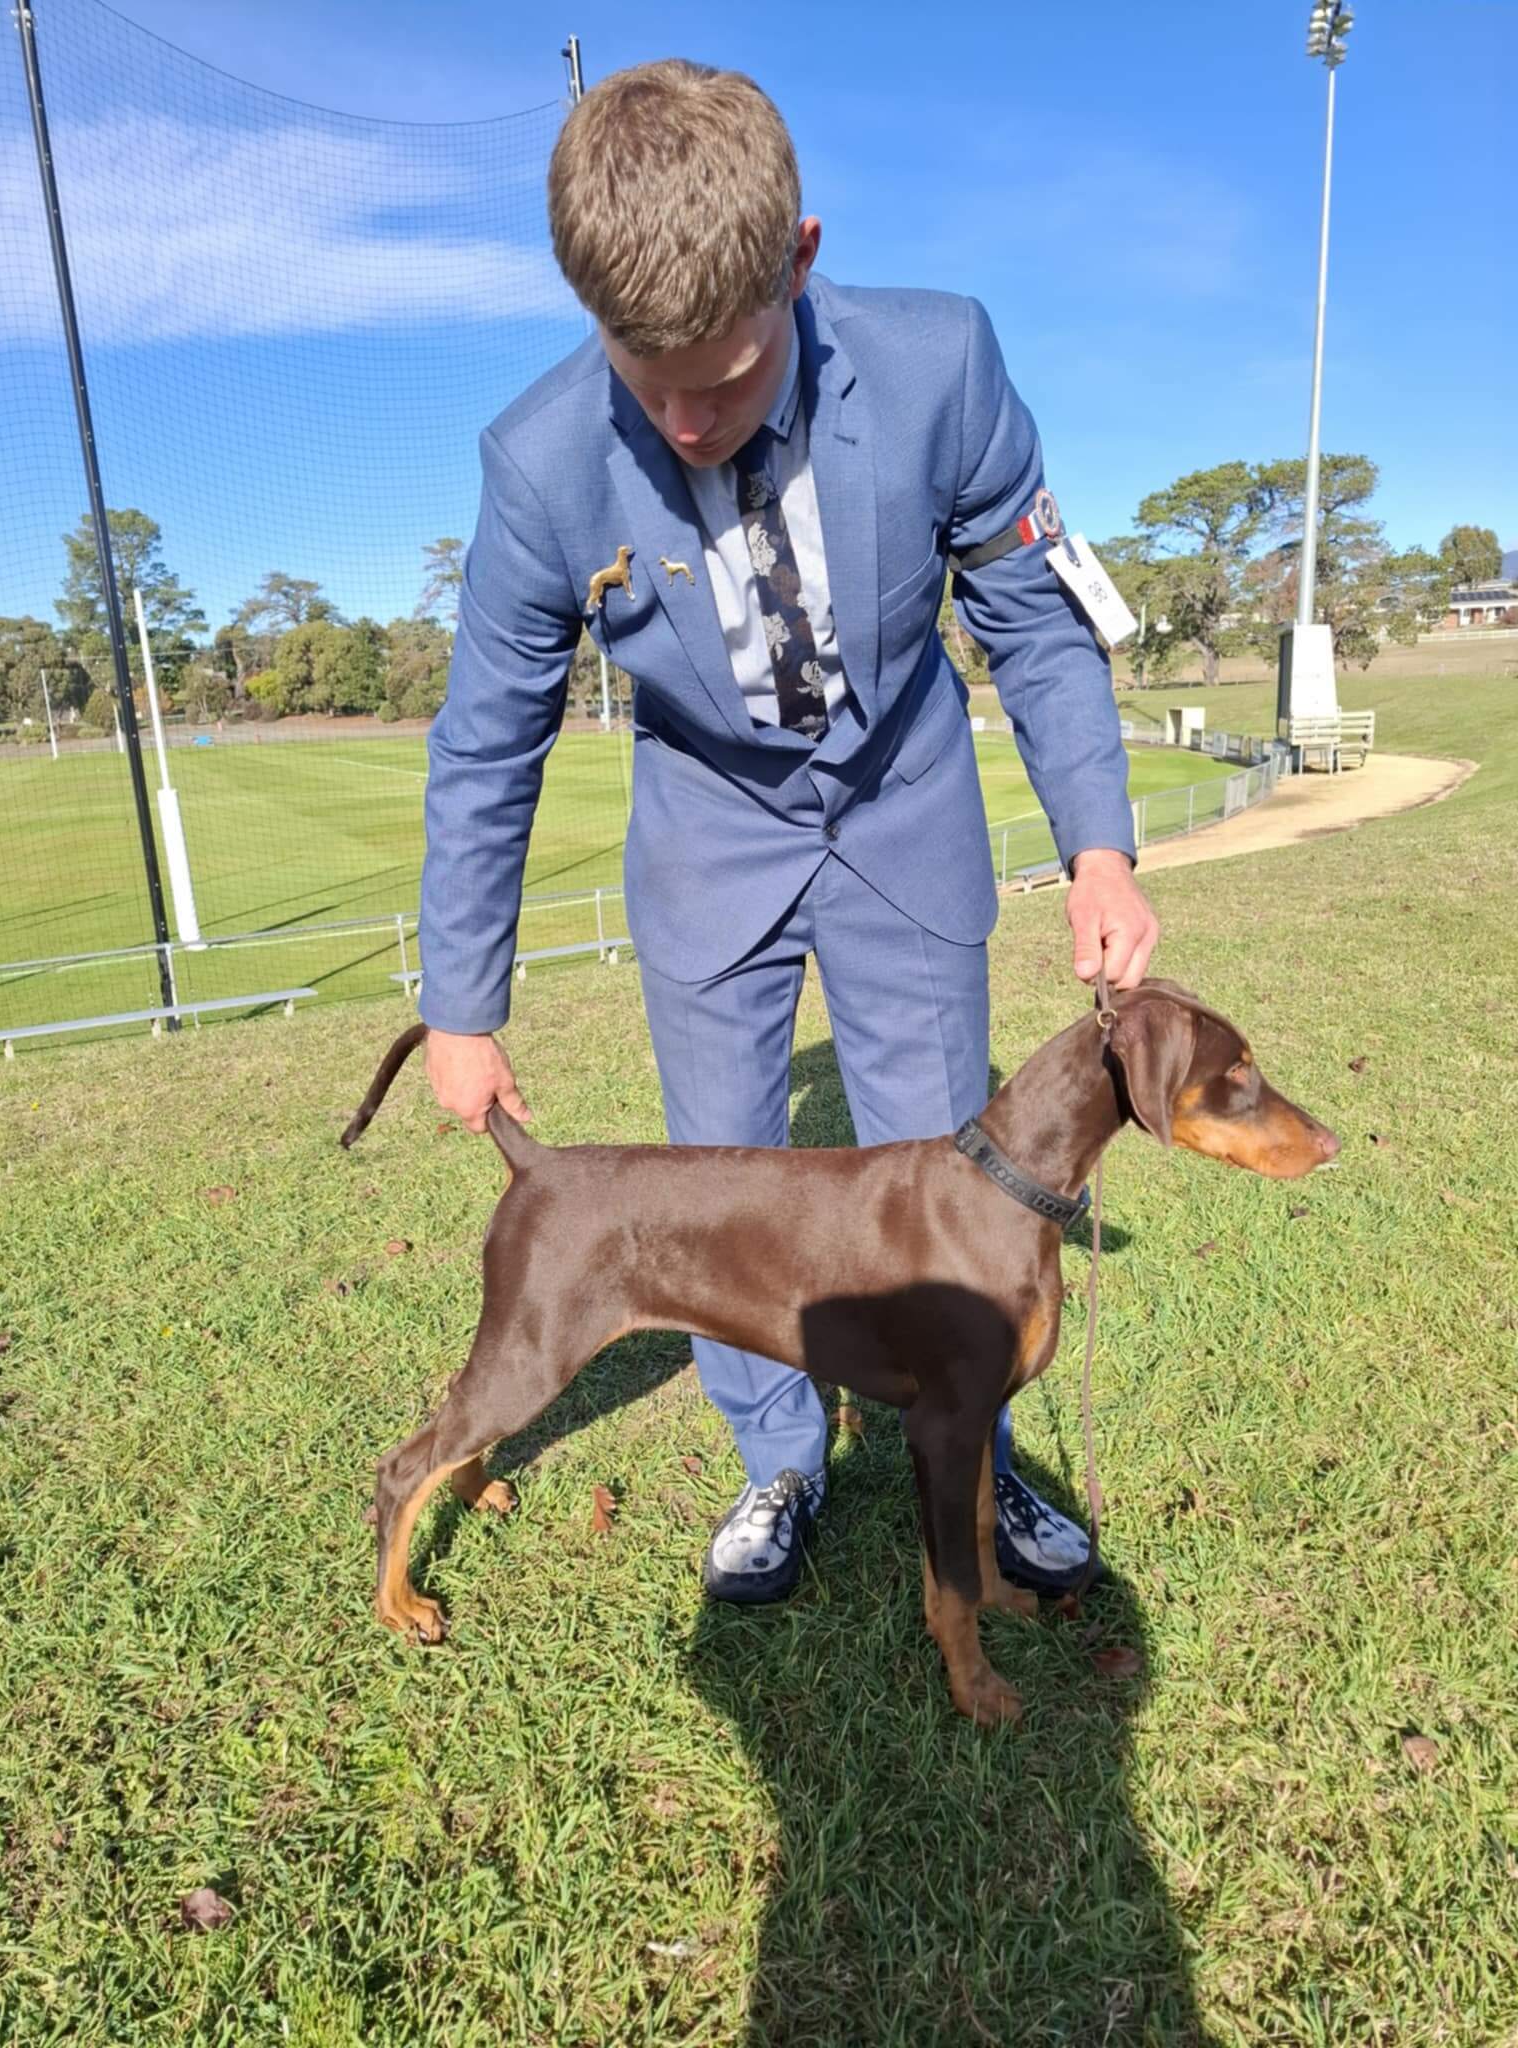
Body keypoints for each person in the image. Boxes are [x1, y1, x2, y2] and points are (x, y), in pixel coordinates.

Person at [416, 60, 1159, 1604]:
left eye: (730, 375)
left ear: (800, 260)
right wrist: (462, 1007)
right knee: (715, 1194)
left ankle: (982, 1464)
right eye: (643, 375)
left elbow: (1031, 608)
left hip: (906, 819)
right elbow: (488, 739)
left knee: (951, 1191)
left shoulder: (942, 362)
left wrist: (1098, 842)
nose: (685, 423)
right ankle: (779, 1461)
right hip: (709, 861)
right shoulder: (538, 461)